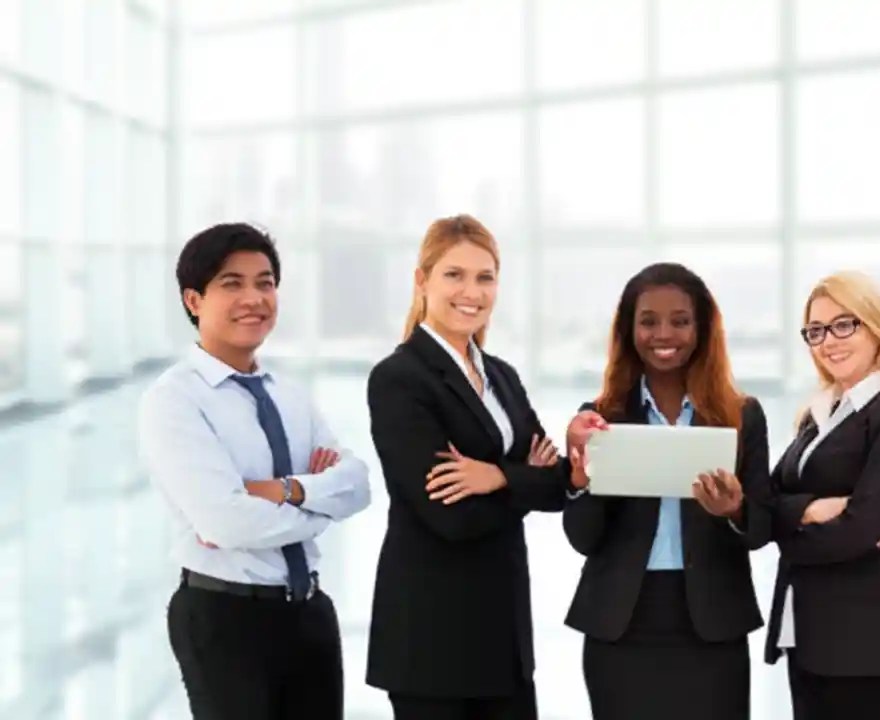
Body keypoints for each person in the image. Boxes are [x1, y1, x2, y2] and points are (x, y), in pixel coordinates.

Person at [139, 222, 371, 719]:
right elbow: (227, 522)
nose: (254, 297)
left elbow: (357, 485)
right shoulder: (175, 399)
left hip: (309, 612)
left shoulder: (288, 393)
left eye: (265, 283)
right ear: (194, 300)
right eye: (232, 283)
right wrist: (317, 501)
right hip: (225, 618)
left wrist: (279, 490)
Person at [364, 214, 582, 720]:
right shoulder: (399, 379)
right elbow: (450, 516)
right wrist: (526, 478)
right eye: (454, 275)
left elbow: (555, 486)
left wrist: (500, 476)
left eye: (485, 277)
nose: (472, 291)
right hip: (433, 641)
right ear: (422, 281)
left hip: (502, 637)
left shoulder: (500, 376)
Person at [561, 262, 771, 720]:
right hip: (622, 623)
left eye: (680, 320)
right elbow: (582, 538)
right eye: (648, 320)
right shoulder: (600, 417)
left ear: (701, 328)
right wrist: (579, 478)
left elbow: (760, 529)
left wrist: (736, 510)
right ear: (628, 329)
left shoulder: (741, 416)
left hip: (710, 622)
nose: (664, 334)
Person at [762, 271, 880, 720]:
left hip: (866, 645)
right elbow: (764, 503)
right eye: (815, 330)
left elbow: (863, 529)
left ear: (876, 327)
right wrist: (813, 510)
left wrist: (787, 528)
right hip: (808, 633)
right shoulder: (816, 416)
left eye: (843, 324)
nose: (828, 340)